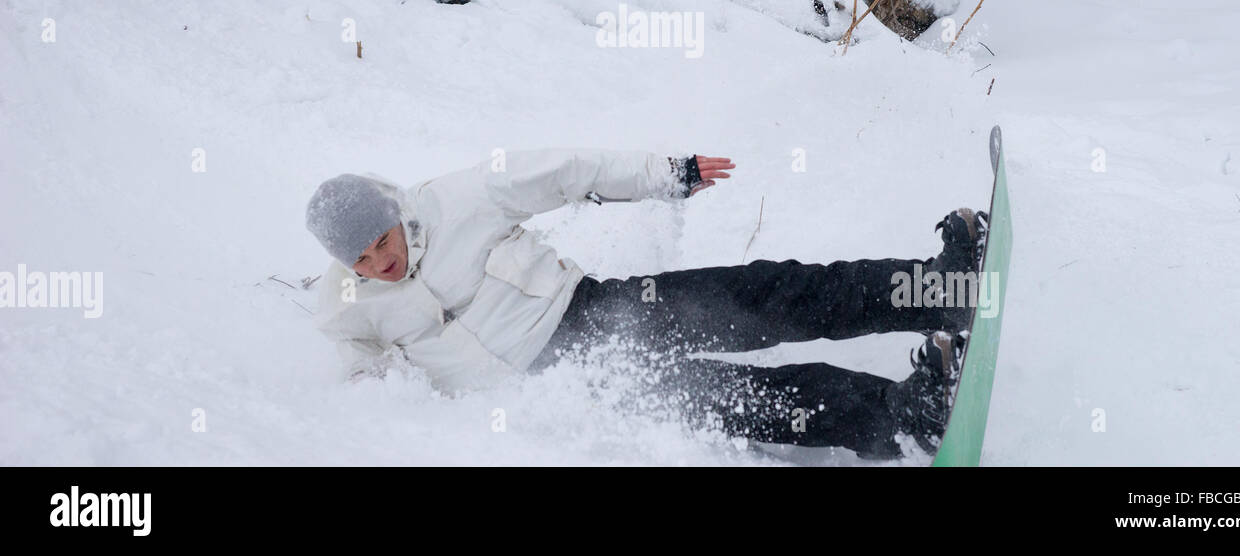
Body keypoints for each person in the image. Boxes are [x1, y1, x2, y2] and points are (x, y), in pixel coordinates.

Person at [305, 148, 985, 459]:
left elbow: (568, 174)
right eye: (359, 259)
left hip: (595, 312)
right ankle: (903, 416)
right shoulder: (348, 303)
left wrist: (664, 176)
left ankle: (939, 288)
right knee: (745, 399)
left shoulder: (456, 199)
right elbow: (360, 383)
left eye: (379, 240)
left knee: (769, 293)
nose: (379, 262)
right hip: (569, 391)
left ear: (393, 209)